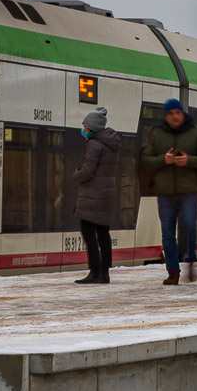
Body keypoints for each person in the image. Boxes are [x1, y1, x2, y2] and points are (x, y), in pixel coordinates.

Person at [142, 98, 197, 285]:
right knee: (167, 232)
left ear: (183, 114)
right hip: (165, 191)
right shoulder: (156, 133)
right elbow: (146, 159)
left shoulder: (195, 132)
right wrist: (163, 160)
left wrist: (188, 160)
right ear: (166, 116)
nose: (175, 116)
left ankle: (190, 258)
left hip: (189, 189)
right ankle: (173, 271)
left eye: (178, 113)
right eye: (171, 113)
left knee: (190, 224)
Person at [71, 107, 121, 284]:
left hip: (93, 193)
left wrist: (76, 174)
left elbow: (88, 171)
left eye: (85, 126)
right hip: (107, 192)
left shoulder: (93, 144)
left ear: (92, 128)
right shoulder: (110, 143)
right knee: (102, 232)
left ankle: (94, 271)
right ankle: (104, 273)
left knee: (88, 231)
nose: (83, 129)